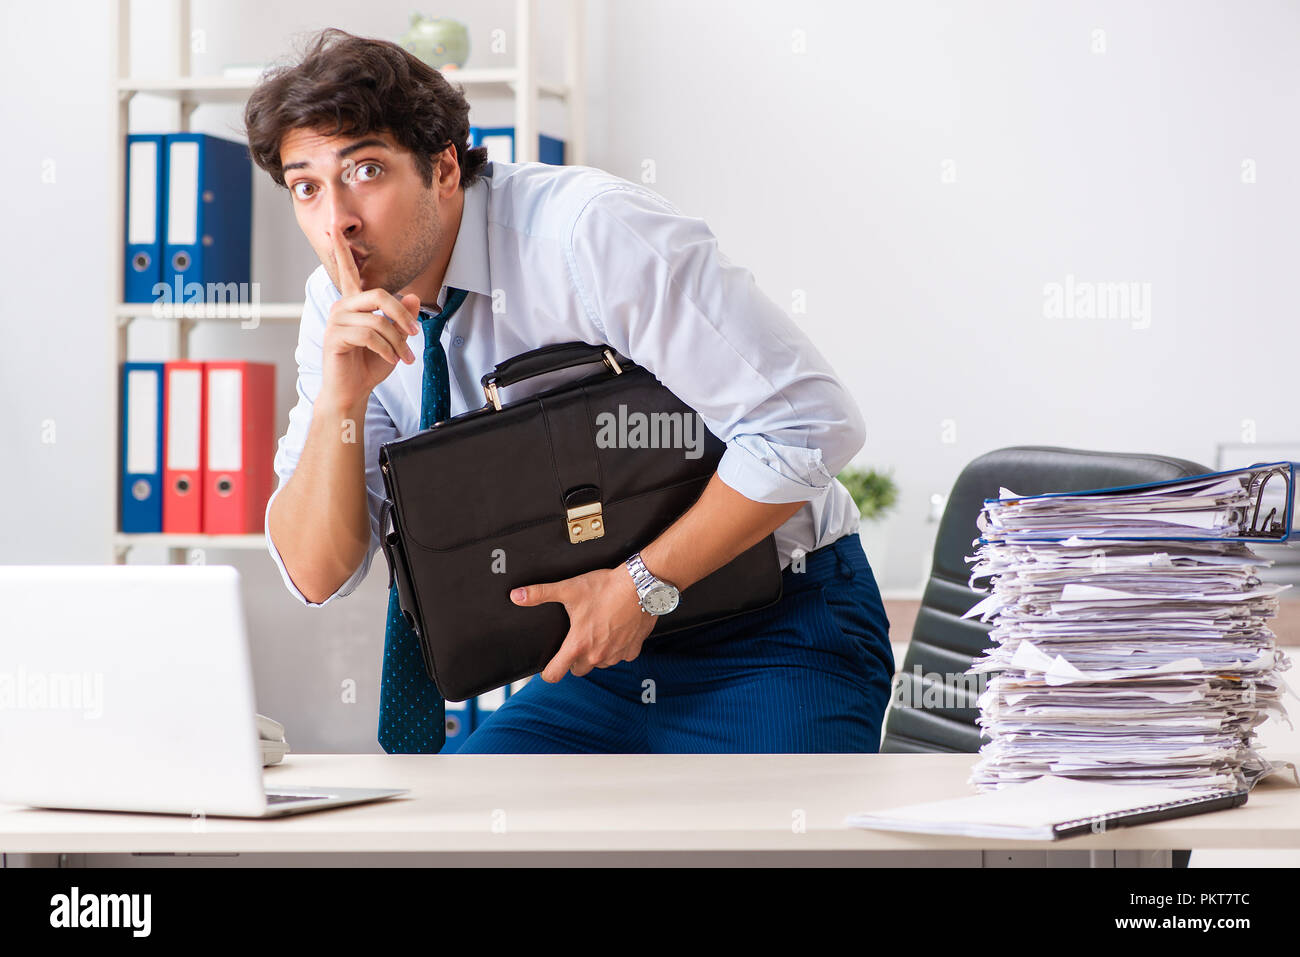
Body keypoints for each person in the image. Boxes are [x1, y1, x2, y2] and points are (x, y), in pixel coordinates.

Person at [246, 28, 893, 754]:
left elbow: (810, 423)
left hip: (773, 627)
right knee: (448, 839)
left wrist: (641, 586)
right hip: (602, 661)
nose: (337, 220)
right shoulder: (331, 309)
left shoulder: (589, 234)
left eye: (365, 170)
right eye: (307, 186)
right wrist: (342, 402)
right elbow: (316, 574)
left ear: (445, 168)